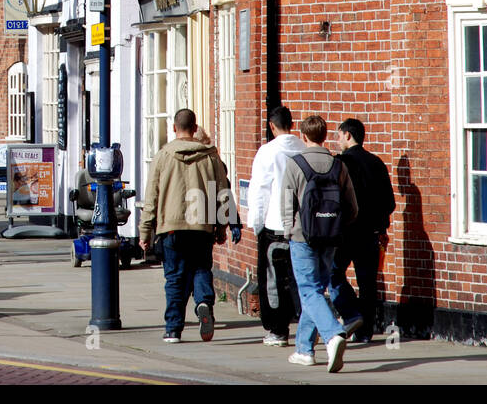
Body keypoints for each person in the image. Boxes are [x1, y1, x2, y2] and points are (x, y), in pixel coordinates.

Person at [138, 109, 238, 342]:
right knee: (201, 268)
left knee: (174, 278)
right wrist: (222, 227)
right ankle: (203, 303)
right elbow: (223, 193)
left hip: (170, 226)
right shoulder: (210, 156)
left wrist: (145, 231)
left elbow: (151, 197)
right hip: (201, 225)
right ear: (195, 128)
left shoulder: (162, 156)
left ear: (174, 128)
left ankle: (173, 329)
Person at [280, 115, 358, 372]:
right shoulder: (338, 166)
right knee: (315, 290)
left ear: (303, 136)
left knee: (308, 291)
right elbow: (352, 207)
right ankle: (304, 349)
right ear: (325, 136)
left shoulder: (295, 163)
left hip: (303, 236)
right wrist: (337, 226)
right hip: (331, 237)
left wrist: (287, 231)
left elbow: (286, 204)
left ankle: (333, 333)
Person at [329, 118, 396, 344]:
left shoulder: (341, 164)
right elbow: (390, 203)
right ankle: (365, 331)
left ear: (348, 135)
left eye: (339, 135)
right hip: (371, 233)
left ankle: (352, 313)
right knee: (368, 283)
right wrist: (381, 225)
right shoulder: (377, 163)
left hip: (346, 233)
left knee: (332, 274)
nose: (337, 140)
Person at [247, 105, 306, 346]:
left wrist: (256, 222)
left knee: (272, 280)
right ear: (291, 123)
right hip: (301, 225)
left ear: (272, 126)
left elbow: (259, 189)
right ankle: (306, 327)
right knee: (299, 278)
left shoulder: (267, 152)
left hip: (273, 224)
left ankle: (277, 330)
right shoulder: (303, 149)